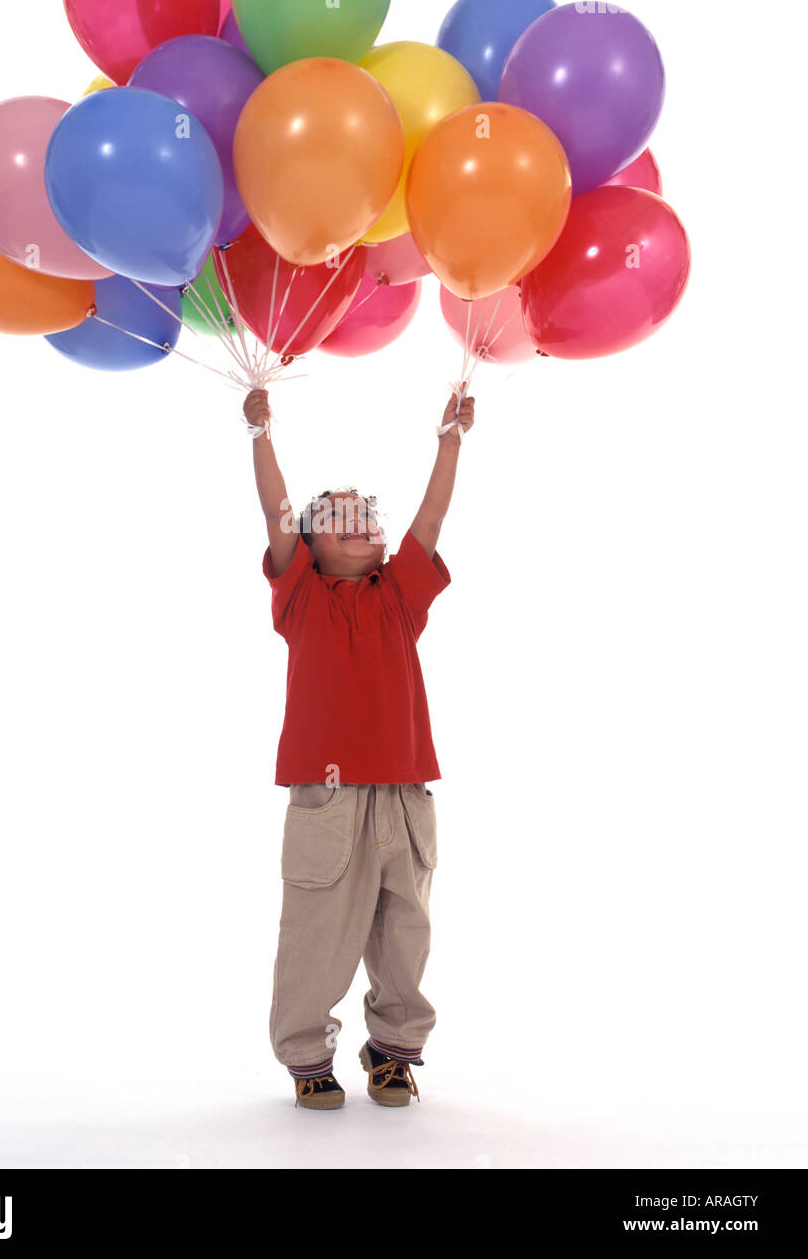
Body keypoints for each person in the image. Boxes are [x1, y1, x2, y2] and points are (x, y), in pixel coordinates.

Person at [245, 383, 475, 1109]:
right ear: (307, 544)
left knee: (405, 929)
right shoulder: (301, 596)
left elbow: (430, 519)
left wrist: (449, 441)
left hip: (403, 791)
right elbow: (275, 513)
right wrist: (261, 435)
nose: (356, 519)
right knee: (317, 929)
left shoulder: (398, 593)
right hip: (327, 794)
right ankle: (307, 1050)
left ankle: (394, 1046)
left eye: (364, 513)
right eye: (334, 515)